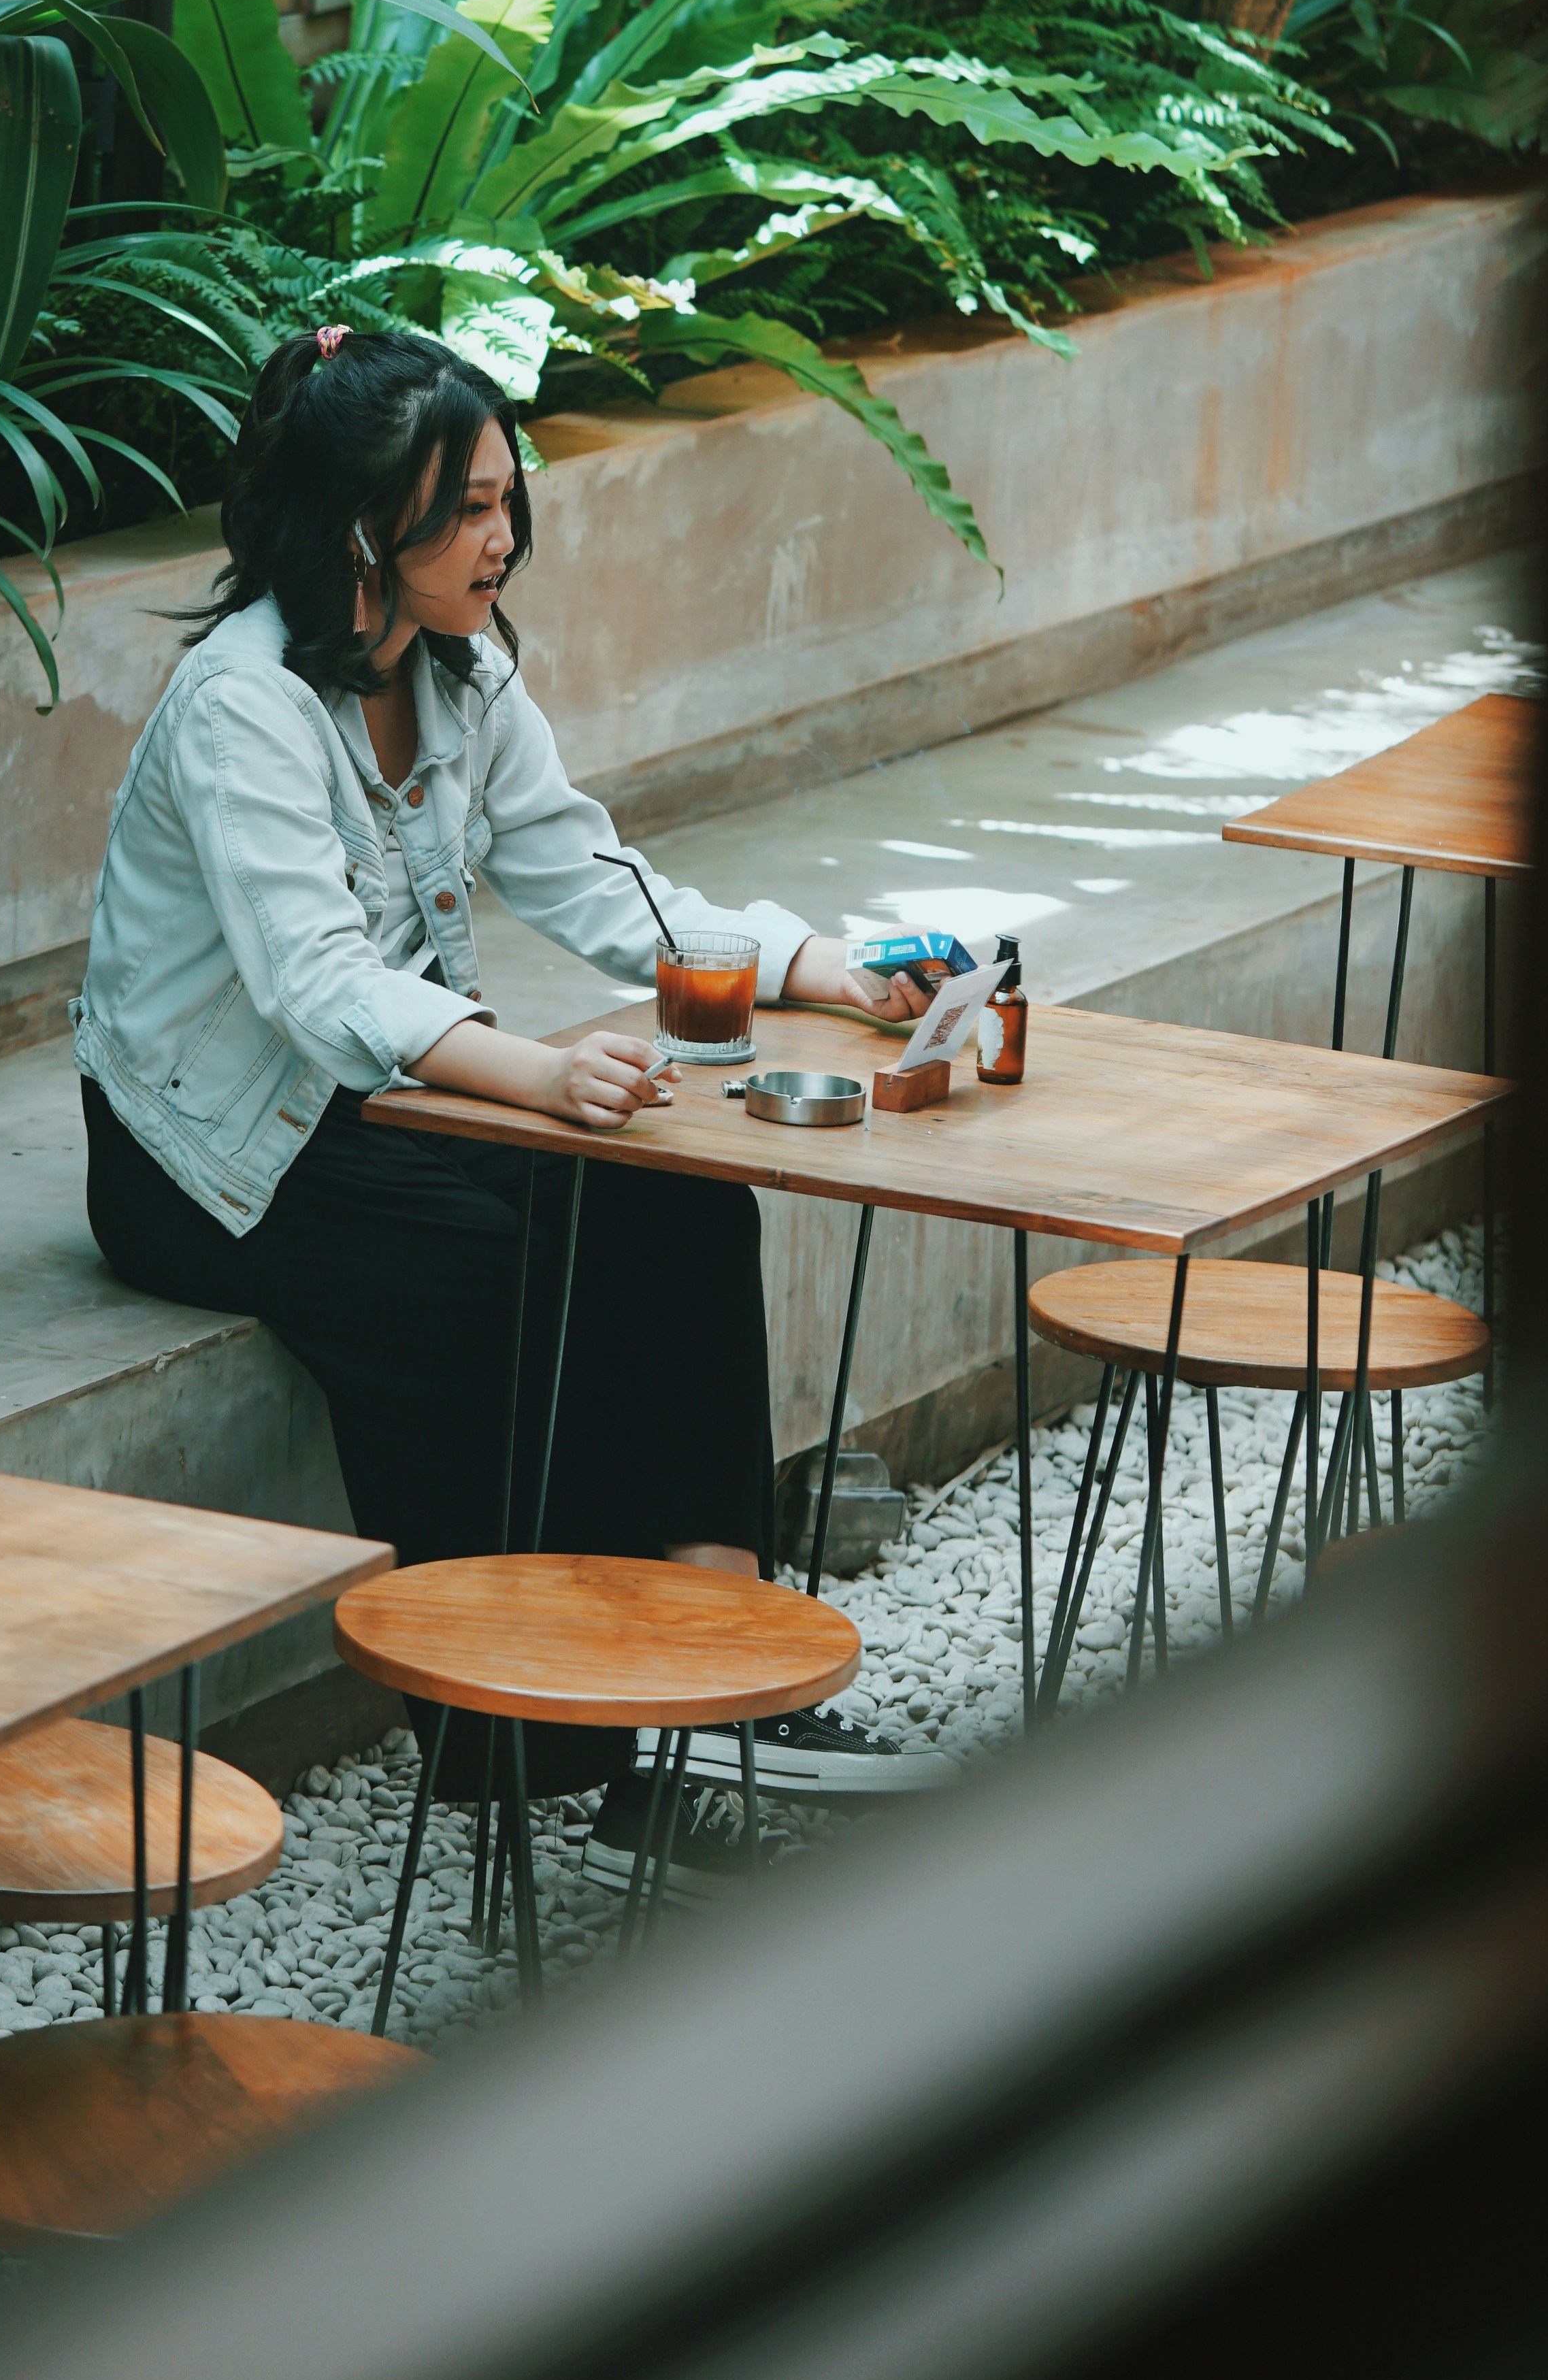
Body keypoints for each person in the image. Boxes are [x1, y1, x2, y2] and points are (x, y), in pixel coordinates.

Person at [75, 324, 930, 1824]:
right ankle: (554, 1762)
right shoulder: (243, 706)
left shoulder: (460, 677)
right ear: (364, 529)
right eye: (467, 506)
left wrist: (825, 970)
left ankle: (714, 1680)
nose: (503, 535)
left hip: (390, 1093)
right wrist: (535, 1078)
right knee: (491, 1272)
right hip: (202, 1149)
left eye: (502, 497)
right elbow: (313, 983)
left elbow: (598, 882)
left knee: (674, 1209)